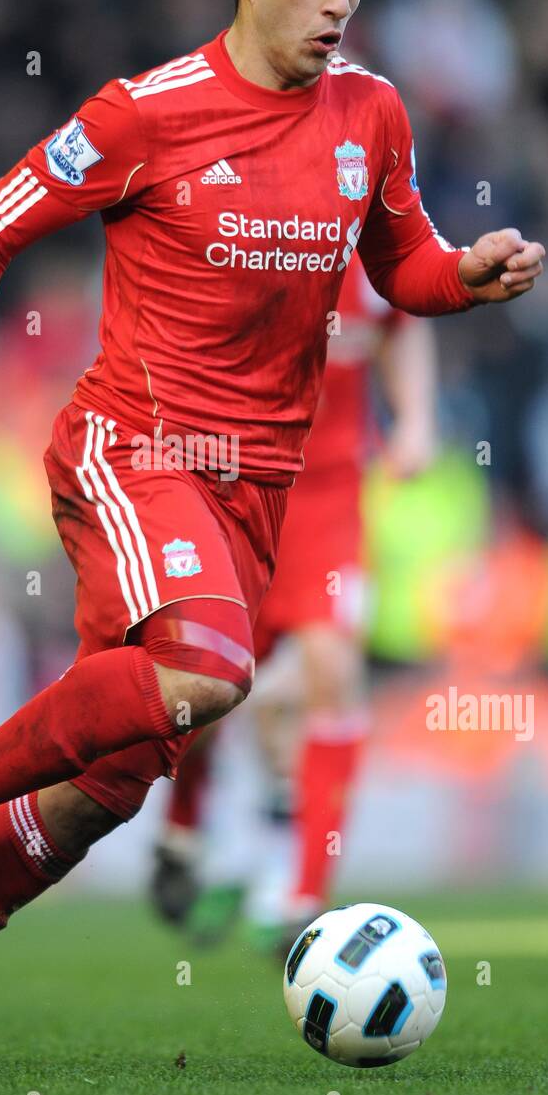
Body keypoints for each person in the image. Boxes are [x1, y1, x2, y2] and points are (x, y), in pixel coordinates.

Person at [0, 0, 544, 1069]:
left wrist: (467, 275)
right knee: (207, 673)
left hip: (256, 489)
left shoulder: (371, 116)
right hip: (132, 449)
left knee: (105, 790)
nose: (338, 2)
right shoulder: (149, 110)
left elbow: (402, 265)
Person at [150, 255, 438, 950]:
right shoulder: (257, 239)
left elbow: (403, 324)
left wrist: (415, 420)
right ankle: (186, 827)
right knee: (212, 684)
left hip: (333, 504)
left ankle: (305, 893)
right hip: (244, 497)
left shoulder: (375, 244)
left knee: (330, 675)